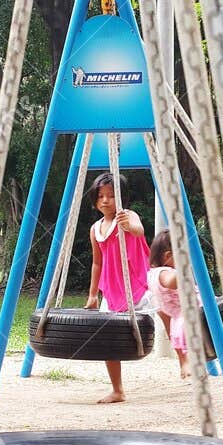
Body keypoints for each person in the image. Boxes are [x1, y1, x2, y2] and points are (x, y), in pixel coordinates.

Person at [85, 171, 150, 404]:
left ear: (121, 198)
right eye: (101, 196)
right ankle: (118, 389)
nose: (105, 200)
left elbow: (139, 230)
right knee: (107, 339)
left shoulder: (127, 215)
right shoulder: (96, 229)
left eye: (111, 196)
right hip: (111, 290)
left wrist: (130, 226)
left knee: (167, 312)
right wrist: (93, 294)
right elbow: (96, 262)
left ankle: (185, 356)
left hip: (137, 285)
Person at [147, 229, 190, 381]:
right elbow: (171, 282)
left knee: (185, 351)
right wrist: (183, 269)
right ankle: (187, 365)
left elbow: (161, 309)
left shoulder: (152, 274)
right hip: (190, 318)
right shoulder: (164, 272)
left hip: (178, 322)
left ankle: (185, 365)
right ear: (168, 256)